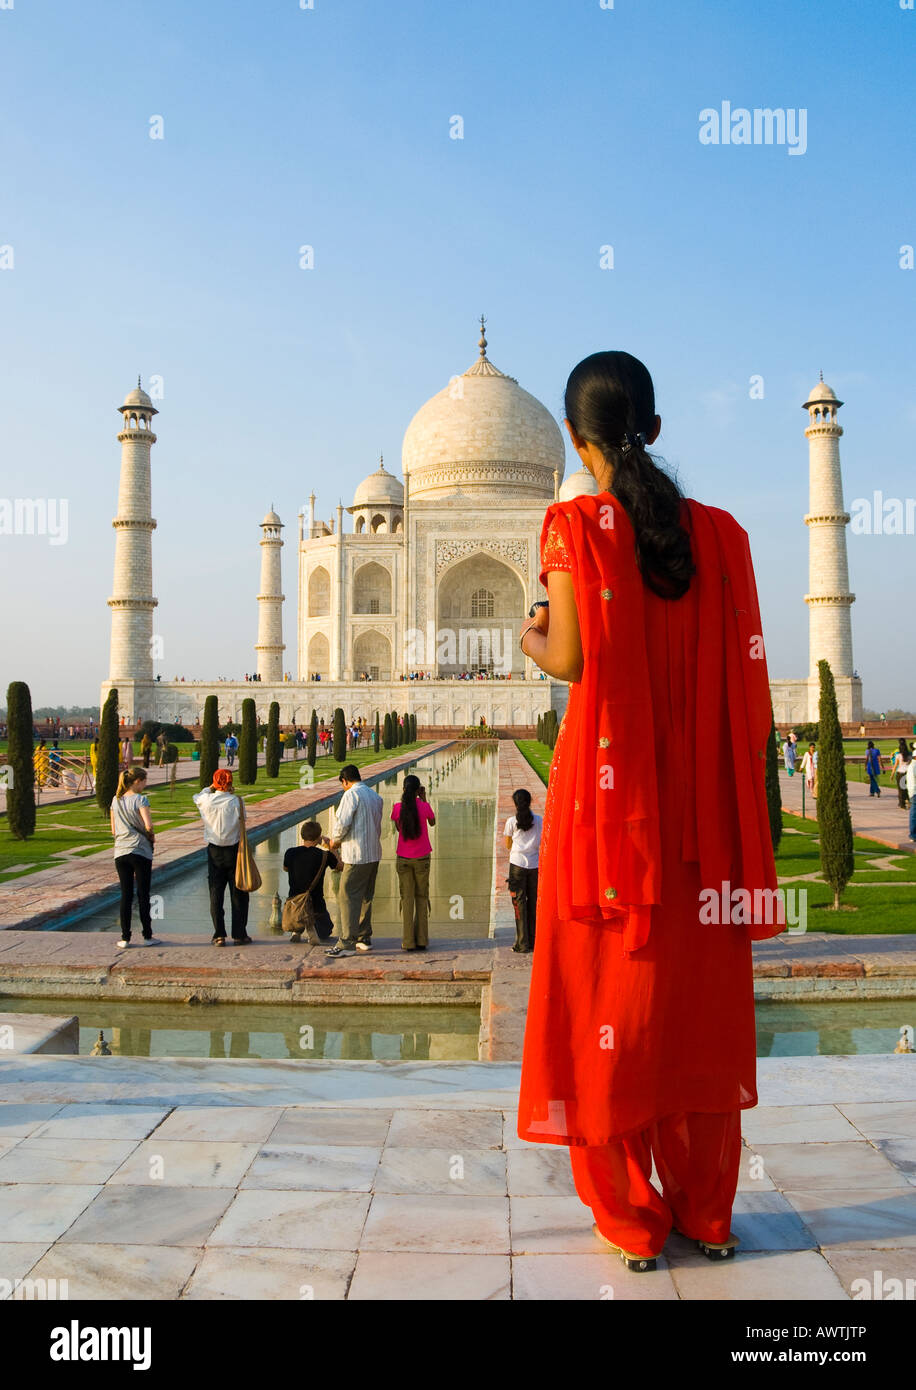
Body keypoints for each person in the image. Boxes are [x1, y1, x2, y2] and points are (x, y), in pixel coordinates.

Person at [516, 350, 784, 1272]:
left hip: (609, 813)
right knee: (698, 1010)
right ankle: (709, 1214)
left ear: (570, 437)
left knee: (608, 1007)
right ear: (657, 430)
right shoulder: (725, 534)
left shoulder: (574, 527)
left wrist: (531, 633)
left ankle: (632, 1220)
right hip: (704, 820)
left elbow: (571, 661)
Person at [326, 764, 383, 956]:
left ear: (345, 781)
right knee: (366, 896)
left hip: (356, 855)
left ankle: (347, 943)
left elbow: (342, 823)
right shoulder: (375, 796)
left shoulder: (351, 795)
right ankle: (363, 937)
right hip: (373, 853)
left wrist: (334, 842)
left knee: (347, 896)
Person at [193, 768, 252, 945]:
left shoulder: (206, 800)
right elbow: (243, 820)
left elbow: (198, 795)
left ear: (215, 782)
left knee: (215, 893)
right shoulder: (236, 802)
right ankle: (239, 934)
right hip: (234, 852)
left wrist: (211, 787)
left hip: (214, 852)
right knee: (239, 894)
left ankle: (219, 934)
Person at [110, 766, 157, 947]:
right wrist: (151, 836)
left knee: (126, 895)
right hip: (140, 850)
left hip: (121, 851)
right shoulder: (141, 800)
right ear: (138, 781)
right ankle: (147, 936)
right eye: (145, 782)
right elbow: (149, 826)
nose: (145, 785)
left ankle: (125, 937)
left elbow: (113, 830)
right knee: (143, 894)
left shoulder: (116, 800)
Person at [391, 774, 436, 950]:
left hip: (403, 857)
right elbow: (432, 822)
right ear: (418, 790)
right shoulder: (424, 807)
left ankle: (408, 941)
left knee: (407, 898)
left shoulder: (397, 808)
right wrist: (424, 799)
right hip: (422, 857)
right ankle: (422, 940)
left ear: (403, 789)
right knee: (422, 897)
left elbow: (398, 827)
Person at [282, 821, 340, 942]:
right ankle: (311, 927)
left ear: (302, 835)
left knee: (299, 906)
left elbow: (285, 868)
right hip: (316, 906)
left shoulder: (290, 852)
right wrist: (331, 846)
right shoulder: (324, 855)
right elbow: (341, 866)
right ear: (319, 837)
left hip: (295, 905)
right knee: (326, 931)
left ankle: (297, 929)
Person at [504, 787, 542, 953]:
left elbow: (508, 844)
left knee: (519, 904)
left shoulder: (512, 822)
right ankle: (534, 941)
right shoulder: (539, 820)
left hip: (517, 865)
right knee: (533, 903)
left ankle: (522, 943)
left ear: (515, 803)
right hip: (534, 865)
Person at [891, 738, 911, 810]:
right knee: (907, 788)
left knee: (901, 789)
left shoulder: (899, 755)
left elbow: (895, 766)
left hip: (900, 773)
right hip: (908, 773)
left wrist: (892, 775)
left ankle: (902, 804)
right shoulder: (909, 755)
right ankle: (908, 800)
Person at [907, 748, 916, 842]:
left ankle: (913, 834)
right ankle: (913, 834)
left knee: (913, 815)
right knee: (914, 815)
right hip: (915, 792)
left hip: (912, 792)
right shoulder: (914, 766)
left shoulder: (911, 765)